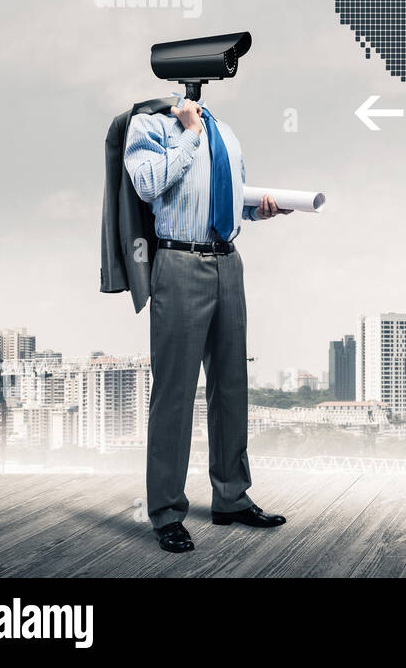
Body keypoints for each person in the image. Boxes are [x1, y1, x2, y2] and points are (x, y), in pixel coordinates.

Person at [124, 95, 290, 554]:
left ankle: (231, 498)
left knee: (232, 387)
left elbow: (227, 198)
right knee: (175, 392)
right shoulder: (150, 126)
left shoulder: (228, 133)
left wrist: (259, 209)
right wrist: (191, 132)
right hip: (178, 261)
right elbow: (147, 183)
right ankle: (166, 513)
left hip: (228, 263)